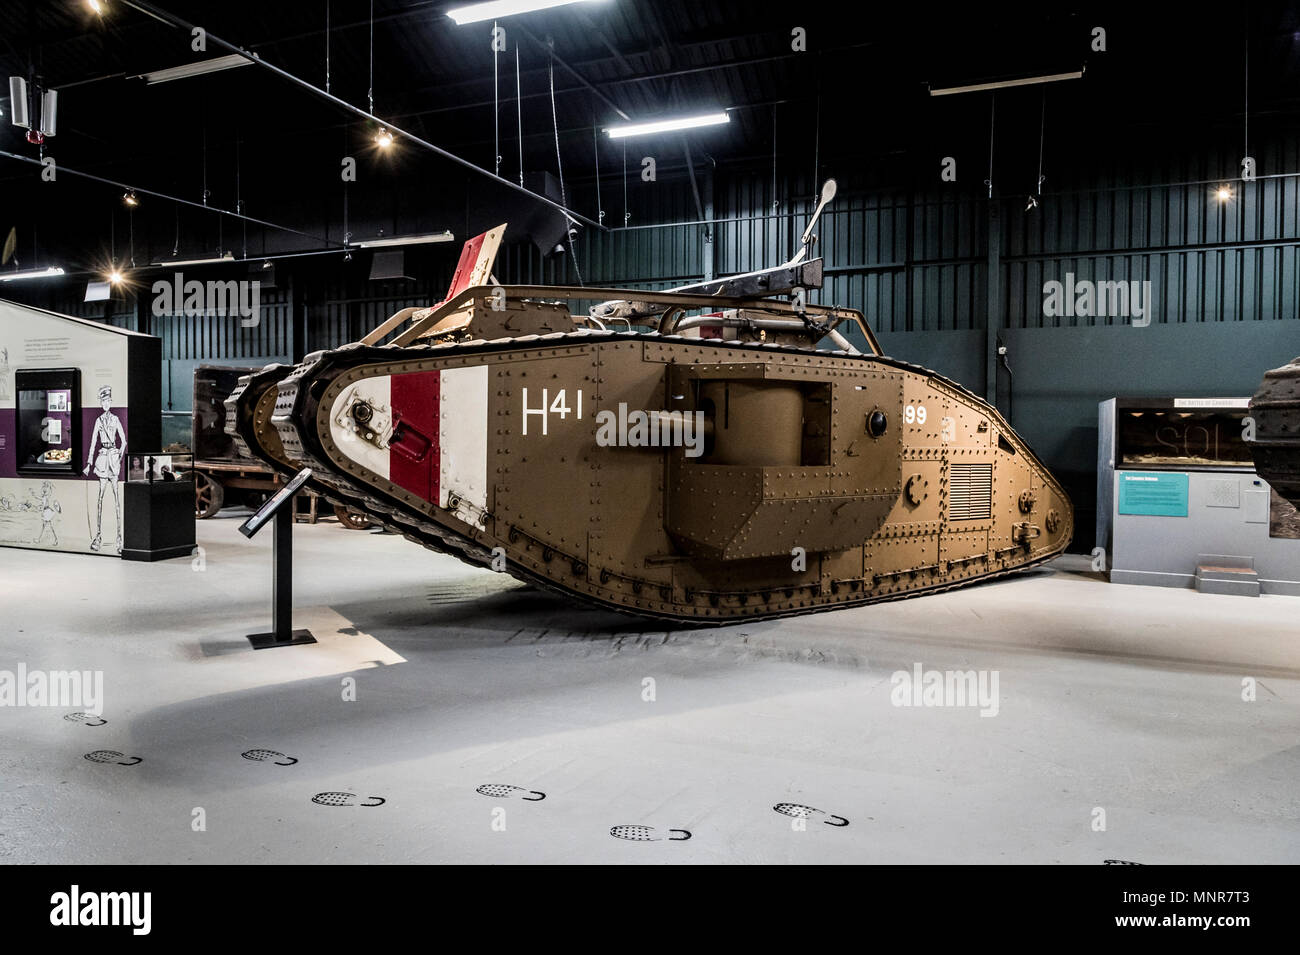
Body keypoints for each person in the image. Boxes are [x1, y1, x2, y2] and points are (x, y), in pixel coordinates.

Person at [84, 385, 126, 553]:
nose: (106, 404)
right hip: (102, 459)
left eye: (108, 400)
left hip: (113, 458)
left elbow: (124, 441)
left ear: (111, 401)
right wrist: (89, 463)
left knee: (116, 500)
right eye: (103, 401)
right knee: (100, 499)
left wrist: (119, 457)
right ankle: (98, 536)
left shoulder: (115, 419)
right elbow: (93, 442)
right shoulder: (98, 420)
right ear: (101, 403)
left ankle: (119, 539)